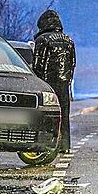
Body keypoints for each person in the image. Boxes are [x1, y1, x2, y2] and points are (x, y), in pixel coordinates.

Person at [32, 10, 75, 153]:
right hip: (64, 83)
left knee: (46, 114)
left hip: (47, 83)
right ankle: (65, 145)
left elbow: (38, 64)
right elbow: (72, 63)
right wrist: (68, 80)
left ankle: (47, 144)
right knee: (64, 115)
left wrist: (37, 80)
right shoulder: (68, 40)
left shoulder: (42, 40)